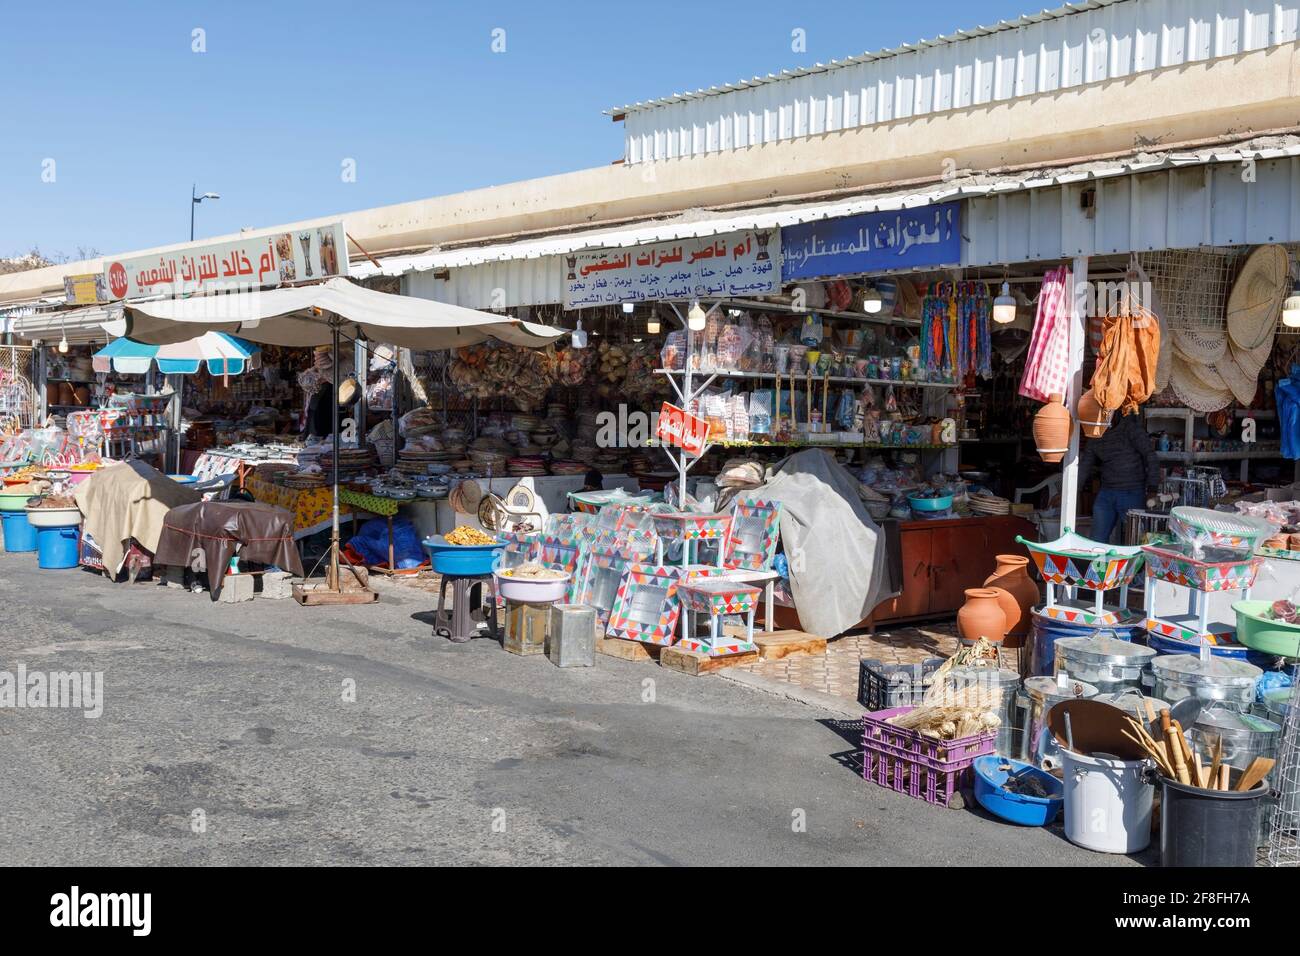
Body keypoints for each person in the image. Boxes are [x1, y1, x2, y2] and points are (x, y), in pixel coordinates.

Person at [1078, 408, 1160, 544]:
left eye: (1108, 413)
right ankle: (1097, 565)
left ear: (1117, 413)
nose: (1105, 416)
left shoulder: (1131, 429)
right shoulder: (1095, 435)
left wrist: (1152, 489)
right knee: (1096, 541)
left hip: (1132, 492)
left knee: (1137, 541)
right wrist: (1072, 491)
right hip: (1106, 493)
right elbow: (1085, 465)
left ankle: (1136, 566)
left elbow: (1151, 456)